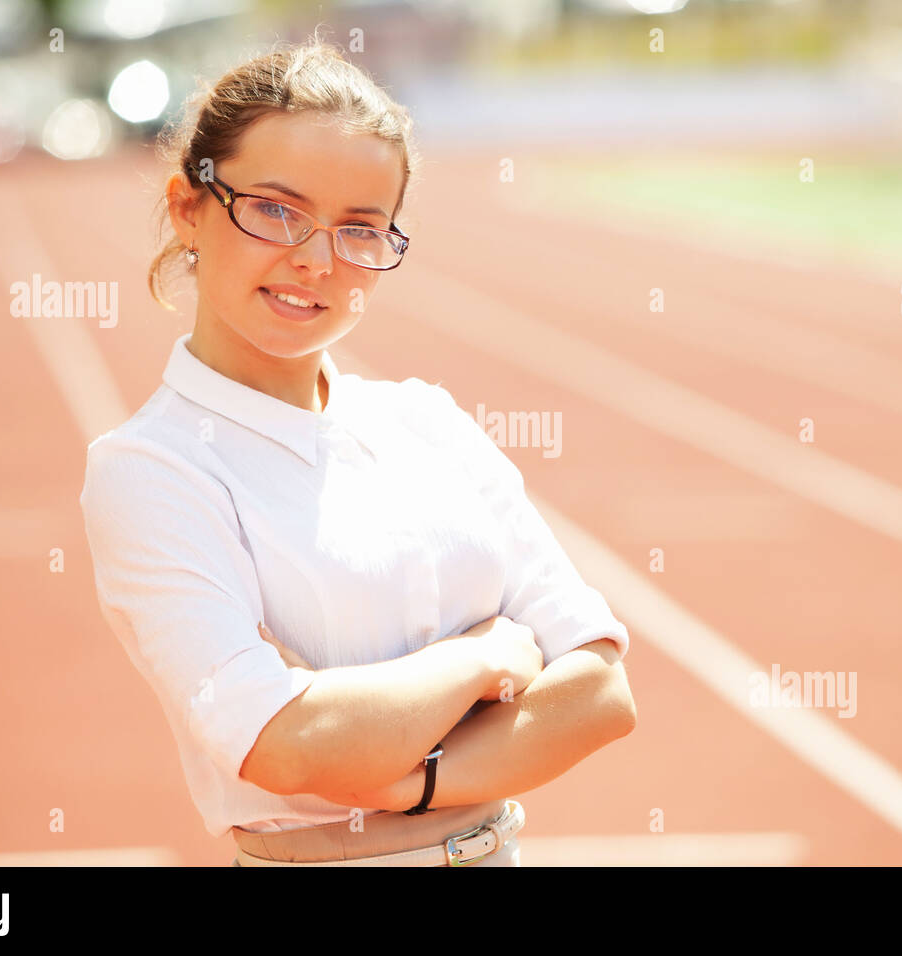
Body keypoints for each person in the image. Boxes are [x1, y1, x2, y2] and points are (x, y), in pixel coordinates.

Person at [78, 30, 636, 867]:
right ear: (190, 206)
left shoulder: (430, 423)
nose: (315, 262)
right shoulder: (153, 470)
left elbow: (599, 694)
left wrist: (398, 778)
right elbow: (285, 744)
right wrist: (484, 655)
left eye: (360, 229)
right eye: (275, 210)